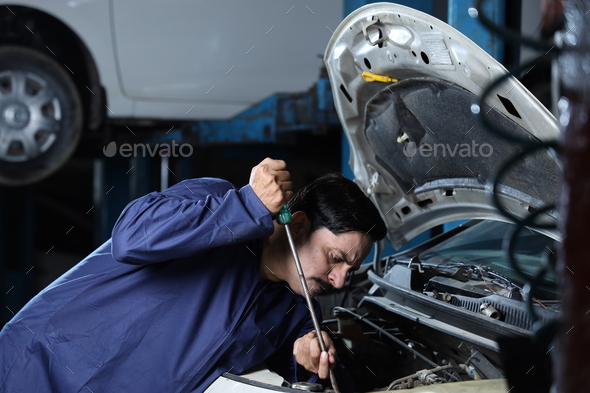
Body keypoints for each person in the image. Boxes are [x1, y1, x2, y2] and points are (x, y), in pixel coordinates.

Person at [0, 158, 387, 393]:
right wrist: (246, 205)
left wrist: (310, 361)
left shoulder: (293, 316)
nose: (338, 281)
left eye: (349, 270)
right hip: (37, 373)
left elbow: (322, 383)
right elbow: (131, 235)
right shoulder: (218, 201)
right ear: (297, 225)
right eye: (335, 259)